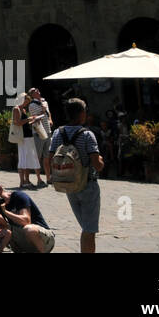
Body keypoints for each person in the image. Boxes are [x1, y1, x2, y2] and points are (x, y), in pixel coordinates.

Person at [45, 97, 104, 253]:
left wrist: (52, 176)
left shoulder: (58, 133)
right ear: (82, 114)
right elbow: (97, 164)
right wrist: (101, 161)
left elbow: (49, 158)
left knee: (85, 226)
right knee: (89, 230)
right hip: (87, 185)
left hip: (68, 185)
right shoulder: (87, 135)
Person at [0, 182, 55, 253]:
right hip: (24, 242)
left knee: (29, 229)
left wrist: (5, 212)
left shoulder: (19, 196)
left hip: (44, 240)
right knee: (6, 230)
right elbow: (5, 225)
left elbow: (26, 221)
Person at [14, 93, 40, 188]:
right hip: (22, 137)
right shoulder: (16, 109)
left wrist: (33, 120)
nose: (26, 104)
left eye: (27, 102)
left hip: (29, 136)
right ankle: (22, 182)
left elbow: (25, 123)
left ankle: (27, 180)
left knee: (28, 158)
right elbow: (17, 123)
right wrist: (28, 119)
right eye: (26, 102)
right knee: (22, 159)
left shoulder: (23, 109)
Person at [27, 87, 51, 186]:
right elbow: (34, 118)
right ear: (32, 95)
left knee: (47, 156)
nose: (37, 90)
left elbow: (48, 113)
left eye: (37, 89)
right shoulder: (32, 105)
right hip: (39, 132)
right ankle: (38, 179)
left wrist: (50, 119)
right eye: (34, 91)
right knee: (38, 157)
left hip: (48, 130)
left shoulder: (44, 101)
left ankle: (48, 178)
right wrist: (43, 111)